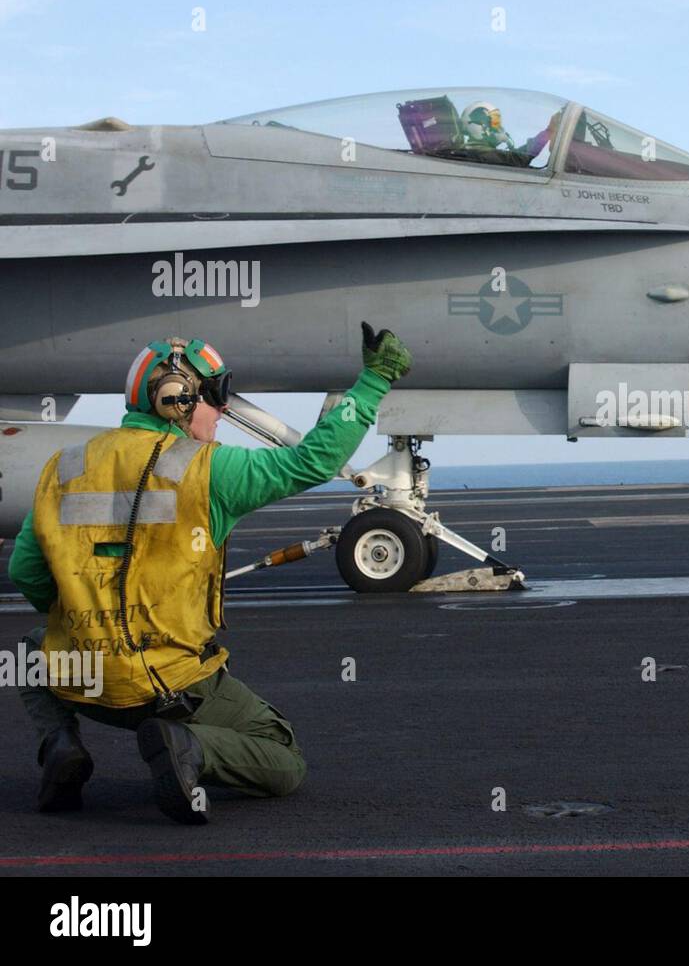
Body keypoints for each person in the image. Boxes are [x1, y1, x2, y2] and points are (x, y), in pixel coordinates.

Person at [5, 322, 412, 824]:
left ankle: (61, 744)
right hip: (172, 685)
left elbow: (26, 571)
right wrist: (374, 380)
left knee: (30, 647)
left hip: (82, 675)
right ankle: (189, 746)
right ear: (177, 399)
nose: (221, 409)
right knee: (283, 760)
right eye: (215, 396)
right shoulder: (211, 470)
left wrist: (88, 618)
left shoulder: (61, 467)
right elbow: (315, 461)